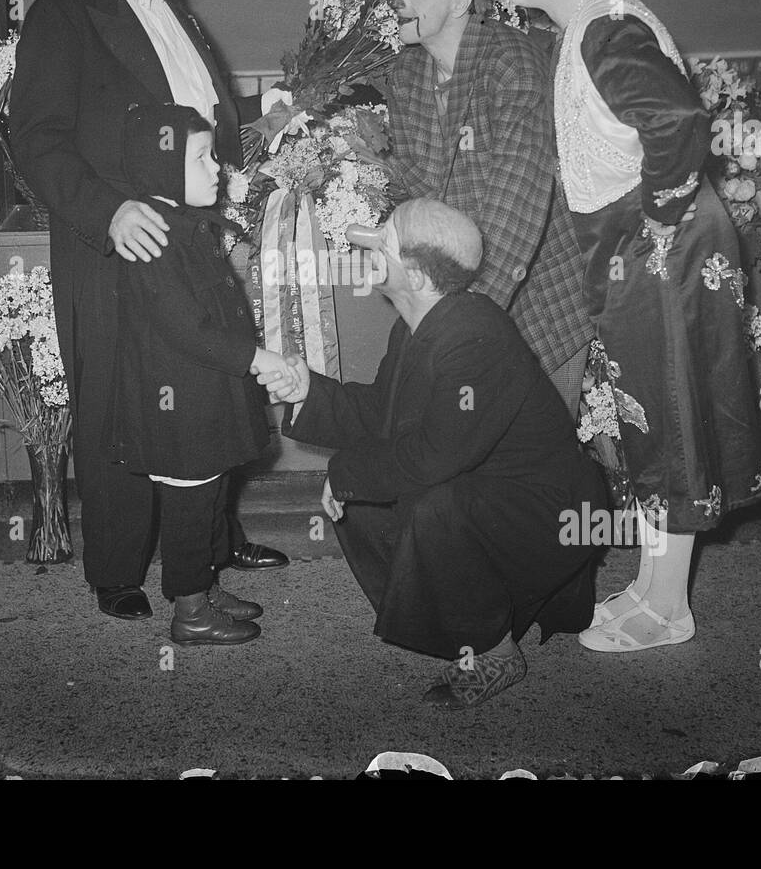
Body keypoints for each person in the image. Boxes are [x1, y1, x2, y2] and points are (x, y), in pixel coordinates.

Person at [490, 0, 761, 652]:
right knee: (643, 415)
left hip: (660, 242)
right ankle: (654, 585)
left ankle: (669, 608)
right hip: (640, 241)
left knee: (667, 418)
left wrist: (656, 221)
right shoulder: (587, 22)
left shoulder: (608, 25)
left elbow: (676, 123)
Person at [9, 0, 287, 624]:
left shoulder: (176, 10)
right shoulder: (63, 13)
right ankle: (120, 569)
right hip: (117, 247)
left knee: (207, 387)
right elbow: (35, 139)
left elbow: (207, 127)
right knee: (117, 405)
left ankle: (207, 552)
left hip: (194, 236)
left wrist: (230, 213)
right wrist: (108, 213)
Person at [259, 199, 607, 707]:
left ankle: (494, 651)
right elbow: (381, 414)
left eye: (385, 238)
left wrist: (347, 472)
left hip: (554, 511)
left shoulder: (476, 336)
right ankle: (456, 616)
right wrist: (307, 390)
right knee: (378, 495)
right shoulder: (418, 323)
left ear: (417, 276)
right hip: (497, 492)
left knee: (433, 505)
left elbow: (433, 457)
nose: (368, 240)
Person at [384, 0, 593, 417]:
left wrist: (454, 324)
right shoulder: (408, 75)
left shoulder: (512, 64)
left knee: (535, 473)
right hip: (458, 304)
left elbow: (515, 214)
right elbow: (418, 194)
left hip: (539, 308)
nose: (398, 1)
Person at [108, 104, 292, 645]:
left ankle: (204, 585)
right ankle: (189, 611)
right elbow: (186, 330)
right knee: (190, 505)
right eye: (202, 158)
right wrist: (256, 359)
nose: (218, 169)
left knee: (211, 493)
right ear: (161, 166)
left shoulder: (187, 226)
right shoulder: (155, 240)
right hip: (178, 404)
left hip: (205, 391)